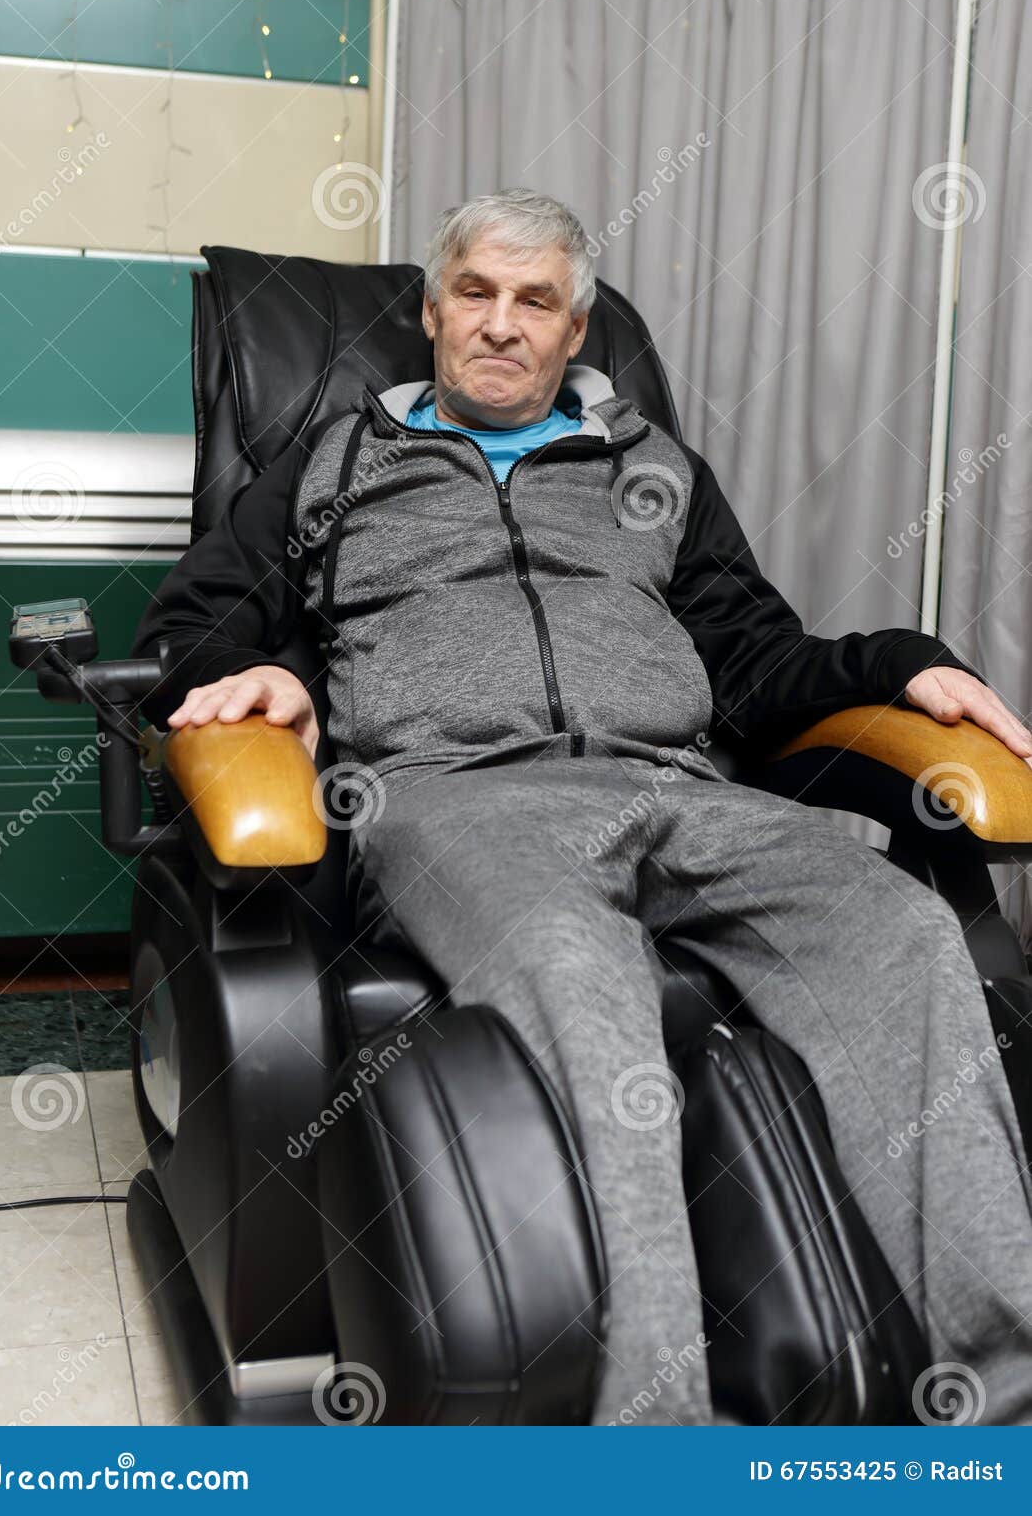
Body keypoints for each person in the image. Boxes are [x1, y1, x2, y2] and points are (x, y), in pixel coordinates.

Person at [134, 189, 1032, 1425]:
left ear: (574, 329)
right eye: (474, 292)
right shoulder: (331, 464)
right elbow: (189, 626)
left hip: (679, 783)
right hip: (457, 796)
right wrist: (264, 671)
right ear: (431, 312)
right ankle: (653, 1436)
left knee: (903, 933)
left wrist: (894, 663)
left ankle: (1002, 1389)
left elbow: (752, 658)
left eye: (534, 300)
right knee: (574, 967)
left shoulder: (651, 469)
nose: (500, 323)